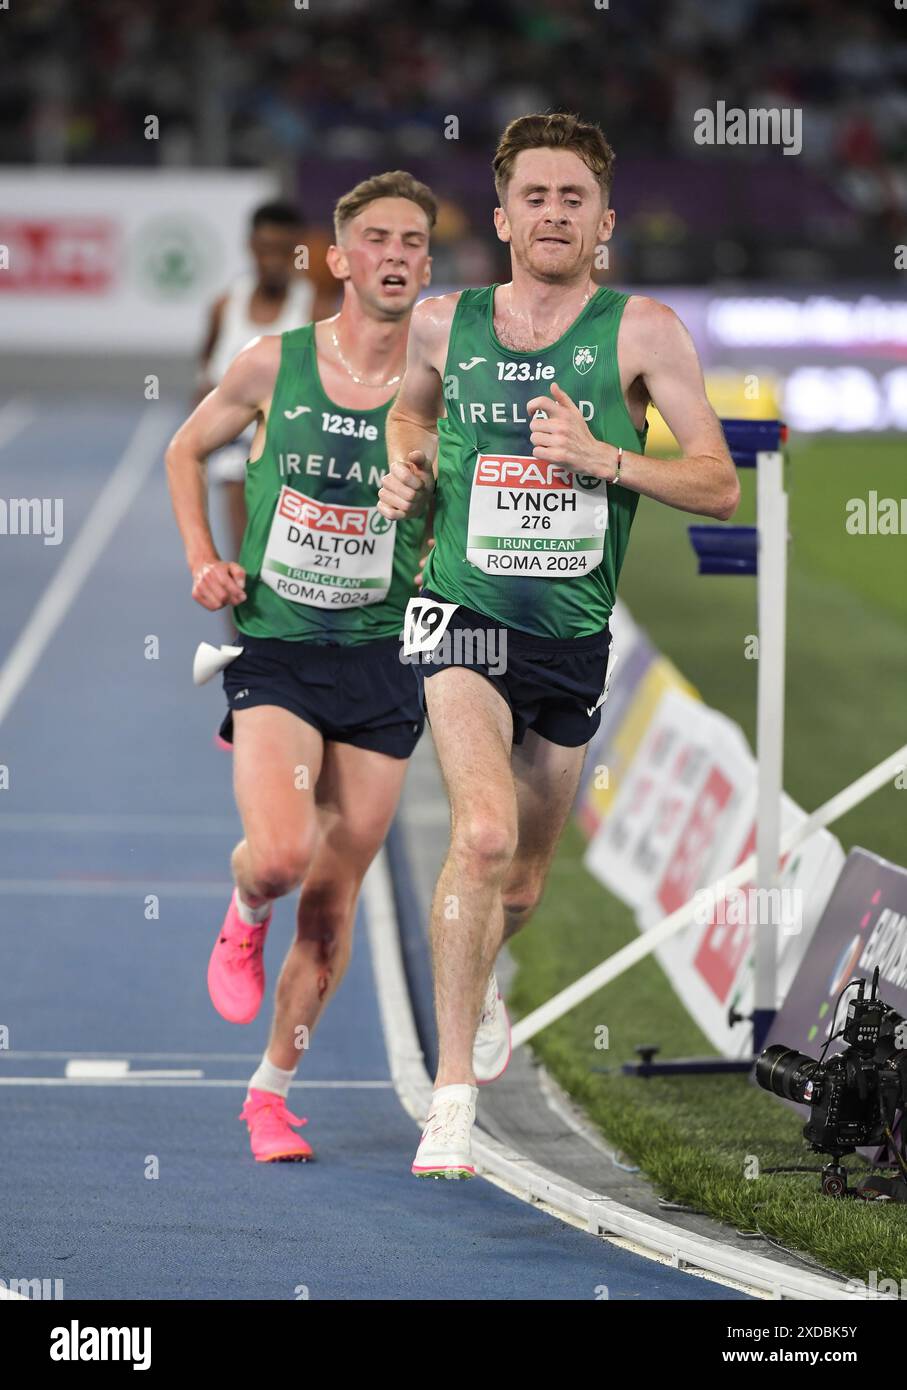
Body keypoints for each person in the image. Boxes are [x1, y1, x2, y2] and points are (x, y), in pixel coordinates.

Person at [377, 113, 740, 1179]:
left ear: (603, 222)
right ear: (500, 217)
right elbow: (408, 417)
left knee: (522, 883)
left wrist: (602, 459)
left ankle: (483, 971)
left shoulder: (644, 334)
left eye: (571, 198)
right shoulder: (445, 323)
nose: (551, 213)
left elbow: (717, 484)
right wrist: (410, 473)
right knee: (480, 836)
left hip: (570, 640)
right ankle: (451, 1100)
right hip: (458, 613)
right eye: (532, 196)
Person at [165, 171, 439, 1163]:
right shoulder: (270, 363)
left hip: (379, 660)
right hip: (278, 646)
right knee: (280, 859)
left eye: (414, 241)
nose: (398, 255)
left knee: (332, 899)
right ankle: (241, 914)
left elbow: (474, 515)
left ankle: (270, 1094)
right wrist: (205, 559)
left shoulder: (442, 386)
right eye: (378, 238)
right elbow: (184, 452)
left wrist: (431, 500)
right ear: (341, 259)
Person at [197, 199, 333, 562]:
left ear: (298, 251)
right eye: (265, 249)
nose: (273, 260)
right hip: (234, 451)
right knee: (244, 565)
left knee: (288, 568)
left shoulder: (317, 310)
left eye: (283, 251)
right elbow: (206, 374)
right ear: (250, 247)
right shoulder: (225, 307)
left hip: (293, 455)